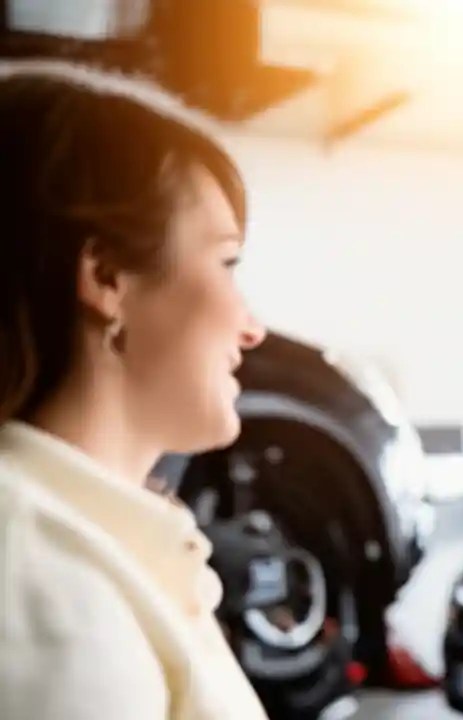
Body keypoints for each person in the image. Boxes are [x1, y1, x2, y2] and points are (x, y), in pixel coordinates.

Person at [0, 61, 269, 719]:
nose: (253, 327)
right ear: (107, 275)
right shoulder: (44, 590)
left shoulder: (88, 550)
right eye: (225, 262)